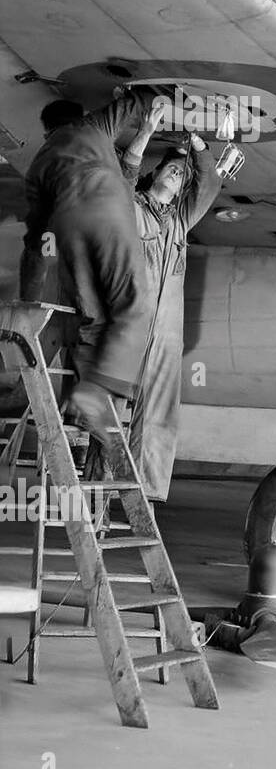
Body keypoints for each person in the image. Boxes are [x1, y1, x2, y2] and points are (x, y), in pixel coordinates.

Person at [20, 90, 175, 439]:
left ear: (47, 131)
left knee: (92, 317)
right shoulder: (95, 126)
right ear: (80, 116)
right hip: (108, 217)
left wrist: (27, 302)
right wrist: (156, 95)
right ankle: (94, 394)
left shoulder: (38, 166)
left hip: (68, 229)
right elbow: (136, 101)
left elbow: (34, 245)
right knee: (133, 308)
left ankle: (84, 404)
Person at [118, 108, 223, 501]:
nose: (177, 173)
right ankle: (97, 493)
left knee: (159, 413)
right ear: (157, 172)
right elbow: (124, 175)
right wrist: (146, 131)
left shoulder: (181, 222)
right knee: (108, 413)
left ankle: (144, 492)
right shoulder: (130, 207)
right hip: (127, 325)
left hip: (165, 334)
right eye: (172, 168)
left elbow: (210, 184)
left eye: (182, 174)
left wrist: (198, 145)